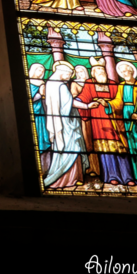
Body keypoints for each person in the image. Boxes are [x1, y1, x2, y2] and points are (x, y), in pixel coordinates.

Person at [74, 62, 135, 185]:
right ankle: (111, 176)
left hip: (114, 120)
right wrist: (78, 102)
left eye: (102, 69)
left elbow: (120, 100)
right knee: (104, 149)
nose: (100, 71)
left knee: (121, 147)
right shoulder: (89, 84)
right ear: (93, 73)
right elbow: (83, 98)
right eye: (97, 69)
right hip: (98, 121)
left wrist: (108, 103)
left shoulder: (112, 84)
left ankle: (128, 177)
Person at [43, 61, 89, 189]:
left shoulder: (50, 84)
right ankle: (69, 178)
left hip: (58, 120)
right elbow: (70, 103)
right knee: (72, 147)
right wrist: (87, 105)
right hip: (66, 122)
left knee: (64, 147)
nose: (70, 77)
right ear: (62, 72)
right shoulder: (61, 86)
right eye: (68, 74)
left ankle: (74, 177)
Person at [70, 65, 99, 178]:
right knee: (87, 142)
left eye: (81, 71)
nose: (79, 73)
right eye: (77, 71)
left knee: (96, 141)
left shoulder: (92, 82)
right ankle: (88, 167)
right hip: (83, 115)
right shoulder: (74, 84)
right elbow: (73, 98)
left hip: (96, 114)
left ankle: (97, 169)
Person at [28, 63, 52, 174]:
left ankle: (44, 169)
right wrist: (38, 94)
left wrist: (42, 94)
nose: (41, 73)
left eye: (42, 71)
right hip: (31, 113)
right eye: (39, 70)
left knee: (42, 139)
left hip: (41, 114)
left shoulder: (42, 83)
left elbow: (46, 98)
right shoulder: (27, 82)